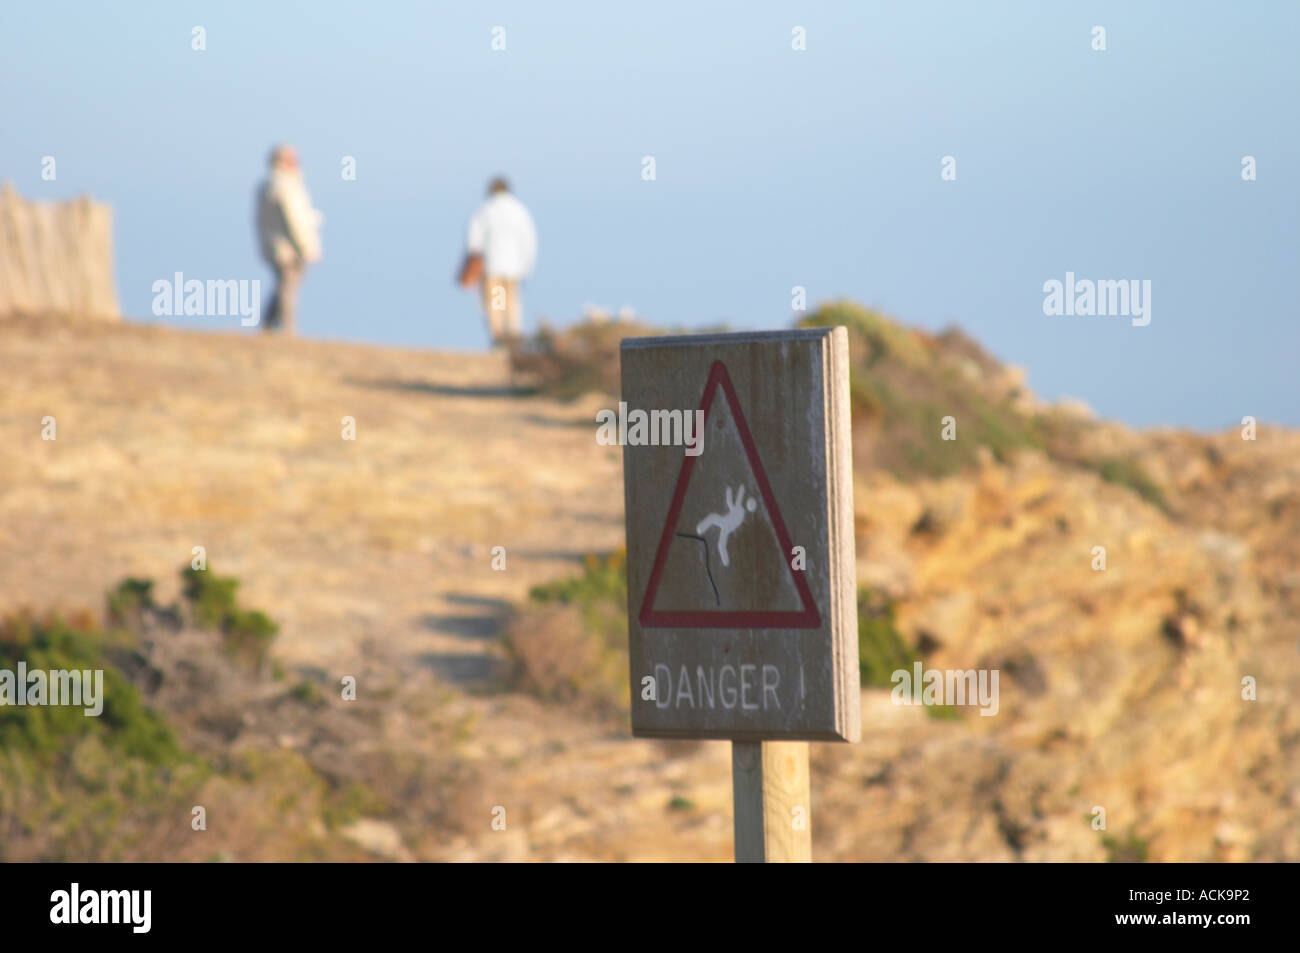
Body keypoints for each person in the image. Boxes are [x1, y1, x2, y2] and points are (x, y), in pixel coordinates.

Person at [458, 177, 537, 349]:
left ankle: (500, 338)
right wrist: (527, 266)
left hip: (494, 266)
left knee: (497, 303)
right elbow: (529, 241)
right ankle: (514, 337)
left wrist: (471, 264)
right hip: (514, 267)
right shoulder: (519, 210)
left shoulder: (486, 210)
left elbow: (474, 241)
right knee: (513, 303)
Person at [255, 145, 322, 335]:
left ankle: (268, 327)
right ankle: (287, 330)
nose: (297, 163)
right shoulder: (286, 186)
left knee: (282, 288)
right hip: (289, 249)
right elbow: (295, 220)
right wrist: (304, 247)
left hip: (274, 247)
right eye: (293, 159)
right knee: (287, 291)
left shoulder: (266, 186)